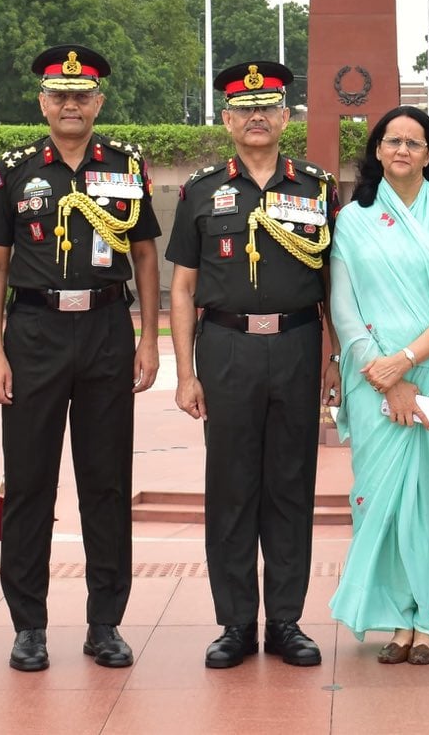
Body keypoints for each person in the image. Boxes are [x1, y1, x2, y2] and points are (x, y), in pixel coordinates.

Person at [0, 45, 161, 671]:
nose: (71, 103)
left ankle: (104, 622)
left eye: (82, 94)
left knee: (105, 484)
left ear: (99, 102)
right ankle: (28, 625)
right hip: (33, 332)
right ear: (43, 103)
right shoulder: (14, 170)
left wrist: (149, 337)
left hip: (108, 328)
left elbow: (143, 257)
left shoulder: (125, 167)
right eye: (60, 94)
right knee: (29, 483)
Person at [168, 61, 339, 668]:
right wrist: (186, 372)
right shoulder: (199, 190)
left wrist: (335, 357)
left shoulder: (317, 188)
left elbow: (334, 283)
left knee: (292, 485)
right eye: (244, 108)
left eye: (268, 106)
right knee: (232, 488)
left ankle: (287, 621)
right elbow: (183, 288)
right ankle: (236, 623)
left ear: (286, 116)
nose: (257, 116)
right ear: (226, 119)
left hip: (296, 346)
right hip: (227, 348)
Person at [327, 107, 429, 667]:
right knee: (381, 504)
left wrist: (408, 361)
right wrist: (385, 374)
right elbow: (343, 307)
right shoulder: (352, 219)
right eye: (392, 141)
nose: (402, 151)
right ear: (376, 150)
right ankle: (396, 618)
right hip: (374, 383)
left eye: (415, 143)